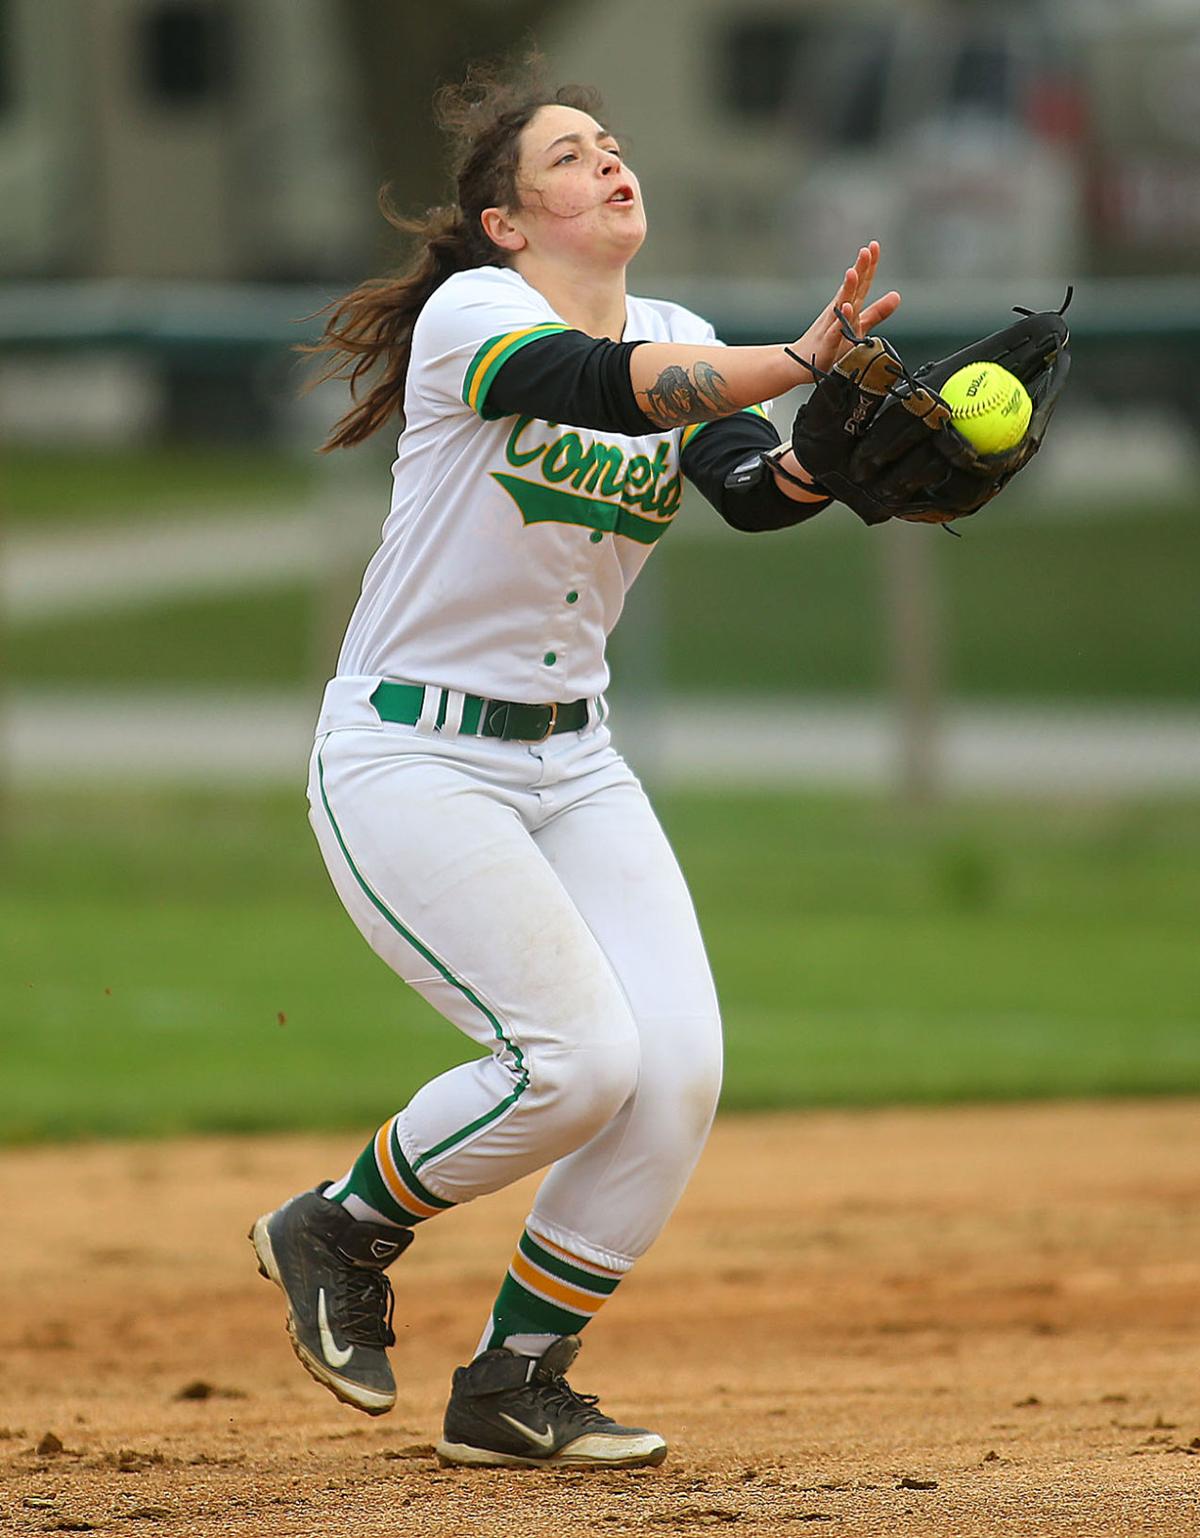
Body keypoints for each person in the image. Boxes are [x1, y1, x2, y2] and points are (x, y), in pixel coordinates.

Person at [249, 64, 900, 1470]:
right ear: (506, 220)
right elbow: (603, 387)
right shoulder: (476, 318)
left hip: (577, 763)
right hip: (412, 756)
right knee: (578, 1063)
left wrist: (837, 464)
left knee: (676, 1073)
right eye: (569, 154)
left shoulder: (679, 329)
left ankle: (516, 1379)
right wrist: (802, 361)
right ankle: (338, 1227)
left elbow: (747, 487)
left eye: (612, 142)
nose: (610, 161)